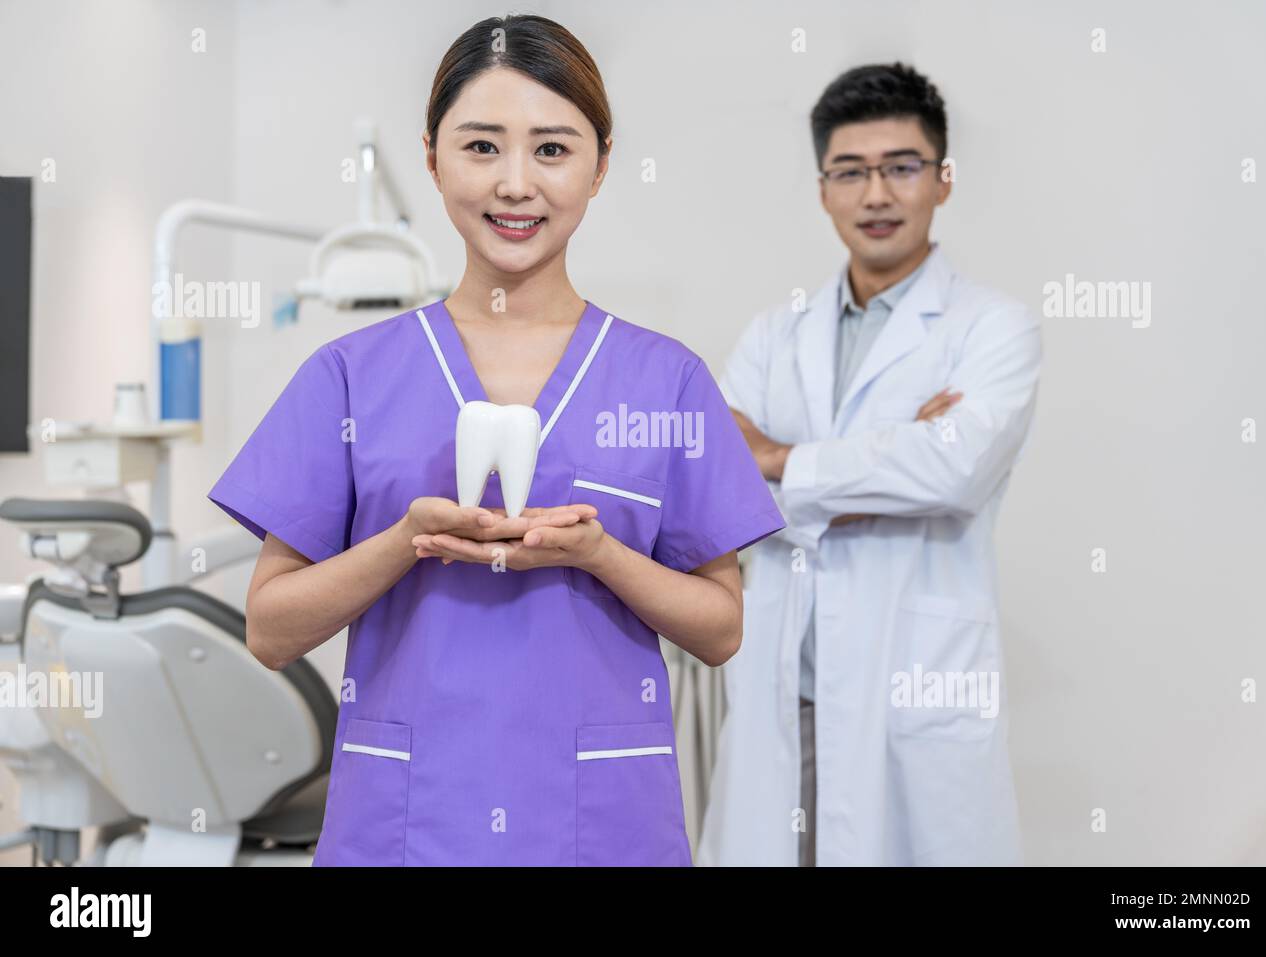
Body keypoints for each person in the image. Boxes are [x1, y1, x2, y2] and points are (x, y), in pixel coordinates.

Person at [207, 14, 785, 866]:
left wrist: (598, 555)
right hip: (408, 823)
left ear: (601, 165)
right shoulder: (349, 377)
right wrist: (407, 542)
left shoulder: (667, 381)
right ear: (433, 157)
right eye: (482, 147)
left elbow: (721, 628)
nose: (517, 184)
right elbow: (270, 630)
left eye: (552, 149)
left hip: (599, 824)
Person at [698, 63, 1042, 866]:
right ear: (824, 190)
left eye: (902, 167)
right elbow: (713, 482)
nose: (876, 194)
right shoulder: (773, 334)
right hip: (785, 679)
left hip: (910, 686)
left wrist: (780, 459)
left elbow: (951, 473)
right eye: (850, 172)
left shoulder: (993, 328)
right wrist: (886, 463)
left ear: (942, 179)